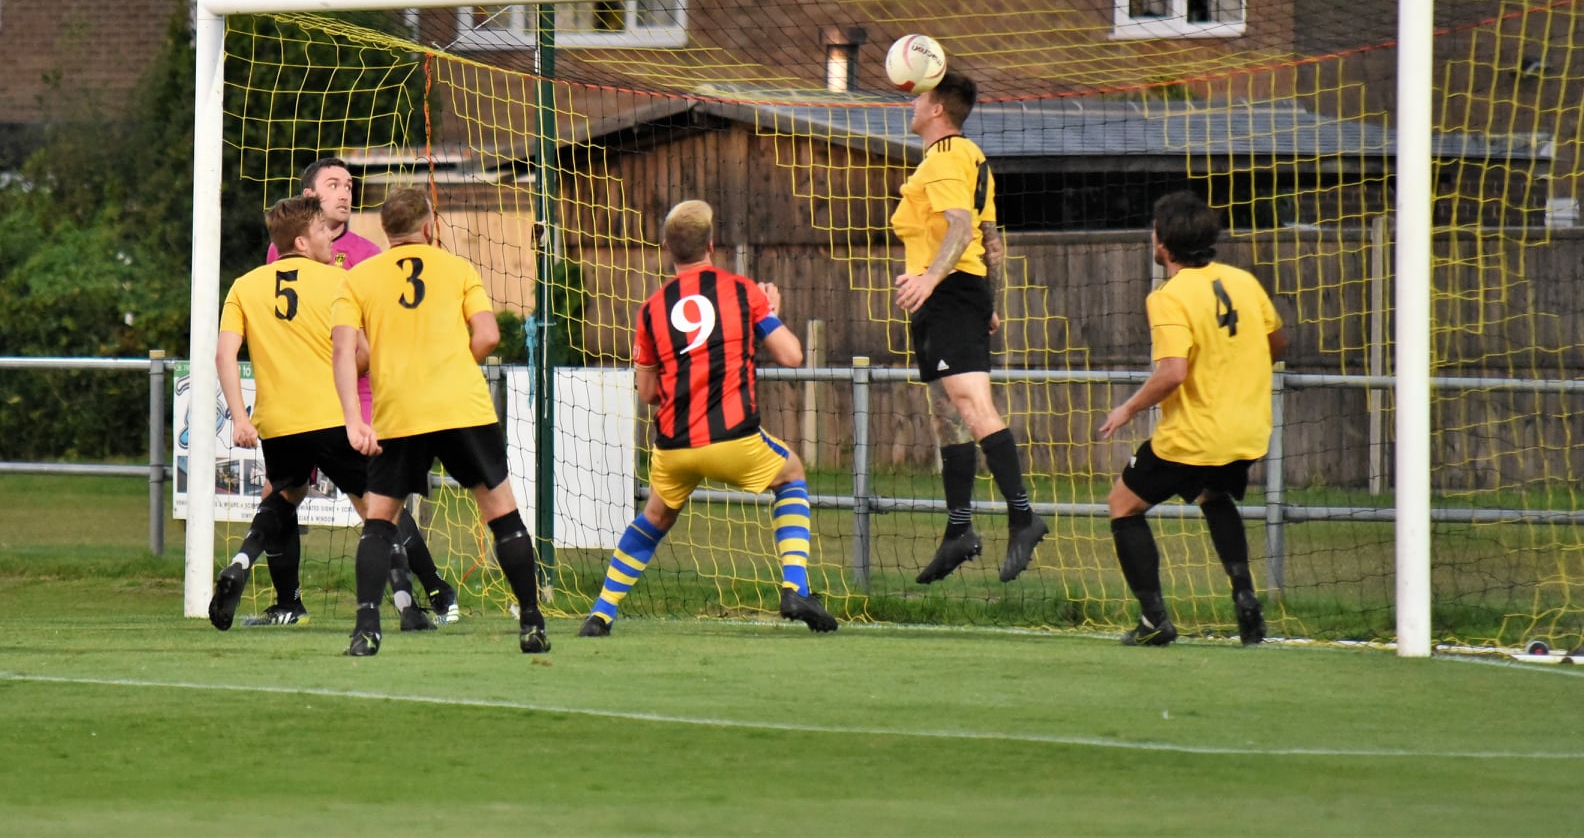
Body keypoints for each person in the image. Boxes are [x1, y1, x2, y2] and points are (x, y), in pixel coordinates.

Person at [577, 199, 837, 636]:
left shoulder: (651, 309)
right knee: (791, 473)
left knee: (655, 516)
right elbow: (793, 356)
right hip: (735, 439)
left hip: (675, 447)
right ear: (711, 246)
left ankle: (600, 614)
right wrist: (768, 312)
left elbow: (647, 392)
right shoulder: (744, 292)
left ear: (666, 248)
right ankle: (795, 587)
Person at [207, 195, 440, 634]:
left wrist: (240, 418)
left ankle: (243, 561)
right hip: (332, 418)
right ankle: (409, 606)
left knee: (282, 496)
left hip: (276, 424)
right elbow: (363, 355)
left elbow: (224, 355)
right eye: (321, 231)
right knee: (379, 509)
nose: (330, 238)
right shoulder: (339, 282)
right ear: (301, 239)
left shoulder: (244, 285)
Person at [332, 186, 549, 657]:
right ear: (430, 227)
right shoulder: (458, 268)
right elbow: (488, 335)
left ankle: (366, 630)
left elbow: (345, 352)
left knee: (380, 521)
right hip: (461, 406)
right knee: (501, 512)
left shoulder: (359, 278)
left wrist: (354, 419)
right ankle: (532, 621)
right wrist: (453, 363)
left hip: (400, 412)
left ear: (386, 231)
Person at [251, 156, 458, 627]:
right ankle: (289, 604)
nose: (344, 193)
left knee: (376, 504)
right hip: (300, 403)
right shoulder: (279, 253)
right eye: (332, 185)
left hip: (355, 400)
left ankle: (434, 592)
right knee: (280, 493)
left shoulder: (367, 254)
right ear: (309, 197)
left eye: (348, 185)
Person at [1097, 191, 1289, 646]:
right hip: (1247, 428)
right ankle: (1244, 595)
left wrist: (1127, 408)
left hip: (1194, 435)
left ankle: (1153, 622)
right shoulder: (1242, 281)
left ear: (1162, 243)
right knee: (1213, 494)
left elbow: (1172, 373)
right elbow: (1277, 344)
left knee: (1123, 505)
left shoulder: (1169, 296)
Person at [891, 70, 1048, 584]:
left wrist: (932, 280)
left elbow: (962, 225)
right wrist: (989, 302)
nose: (912, 105)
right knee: (945, 412)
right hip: (959, 295)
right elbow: (990, 235)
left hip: (949, 291)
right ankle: (959, 530)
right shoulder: (973, 156)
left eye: (920, 98)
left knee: (972, 406)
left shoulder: (942, 157)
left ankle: (1023, 517)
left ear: (938, 109)